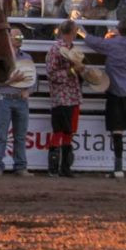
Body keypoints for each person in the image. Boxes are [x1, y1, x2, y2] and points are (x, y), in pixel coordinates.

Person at [76, 16, 126, 178]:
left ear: (119, 30)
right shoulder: (114, 43)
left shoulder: (113, 44)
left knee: (117, 130)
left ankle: (118, 167)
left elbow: (93, 42)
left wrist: (81, 31)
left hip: (115, 92)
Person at [0, 29, 36, 176]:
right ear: (9, 38)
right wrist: (11, 81)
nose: (19, 39)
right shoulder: (2, 57)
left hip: (18, 99)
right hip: (6, 98)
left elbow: (34, 80)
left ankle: (18, 166)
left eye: (20, 36)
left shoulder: (26, 57)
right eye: (16, 36)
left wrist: (28, 91)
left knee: (19, 135)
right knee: (2, 134)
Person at [45, 20, 83, 177]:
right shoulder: (56, 49)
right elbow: (52, 74)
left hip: (70, 96)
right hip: (63, 96)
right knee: (62, 131)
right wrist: (73, 71)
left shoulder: (68, 49)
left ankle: (62, 168)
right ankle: (59, 168)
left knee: (66, 131)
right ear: (72, 31)